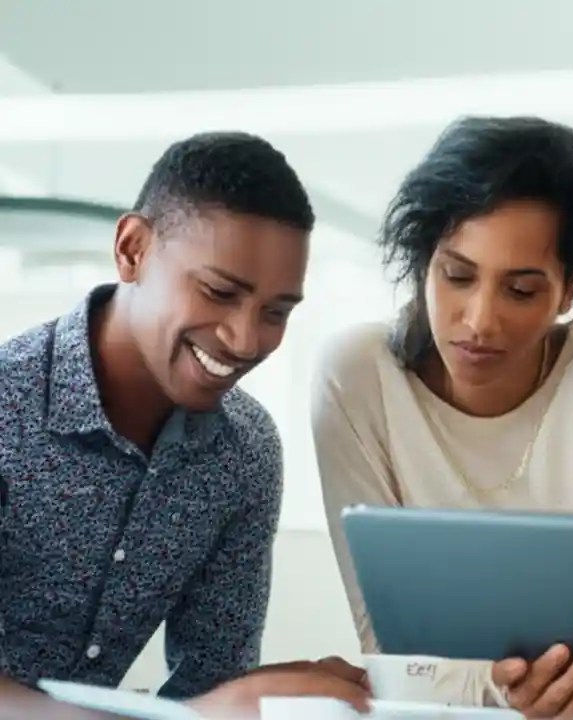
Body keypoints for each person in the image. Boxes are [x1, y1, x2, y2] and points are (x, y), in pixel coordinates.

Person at [312, 116, 573, 717]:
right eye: (457, 276)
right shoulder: (356, 376)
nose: (480, 320)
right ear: (422, 261)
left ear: (569, 287)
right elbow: (390, 653)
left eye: (521, 290)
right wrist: (508, 694)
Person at [0, 133, 371, 718]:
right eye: (220, 292)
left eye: (276, 312)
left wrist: (273, 699)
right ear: (132, 249)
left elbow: (211, 684)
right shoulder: (7, 407)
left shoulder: (245, 453)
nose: (246, 339)